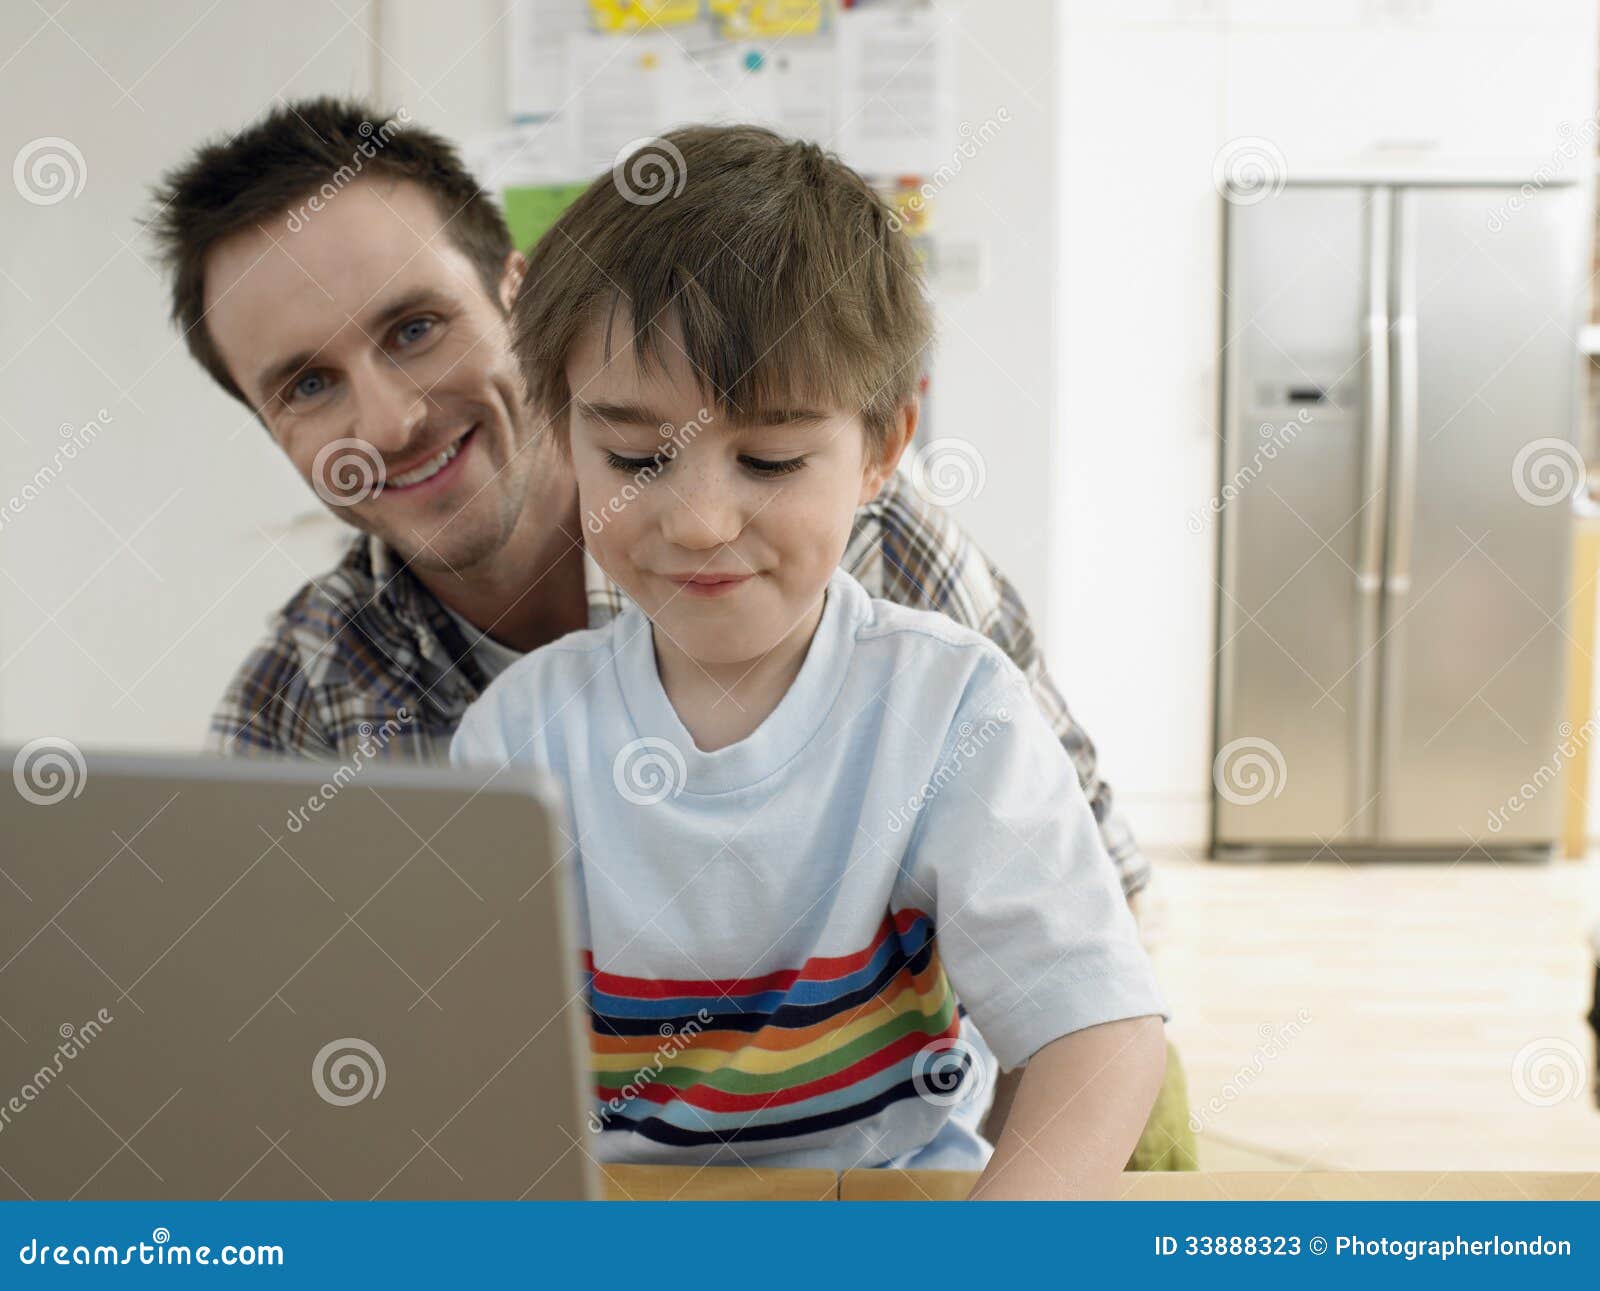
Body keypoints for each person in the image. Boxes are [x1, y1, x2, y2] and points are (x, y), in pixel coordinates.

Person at [449, 124, 1168, 1199]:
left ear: (883, 445)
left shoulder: (949, 704)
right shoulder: (517, 735)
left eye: (770, 458)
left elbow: (1097, 1030)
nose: (696, 522)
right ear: (560, 432)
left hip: (884, 1197)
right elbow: (465, 1068)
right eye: (636, 457)